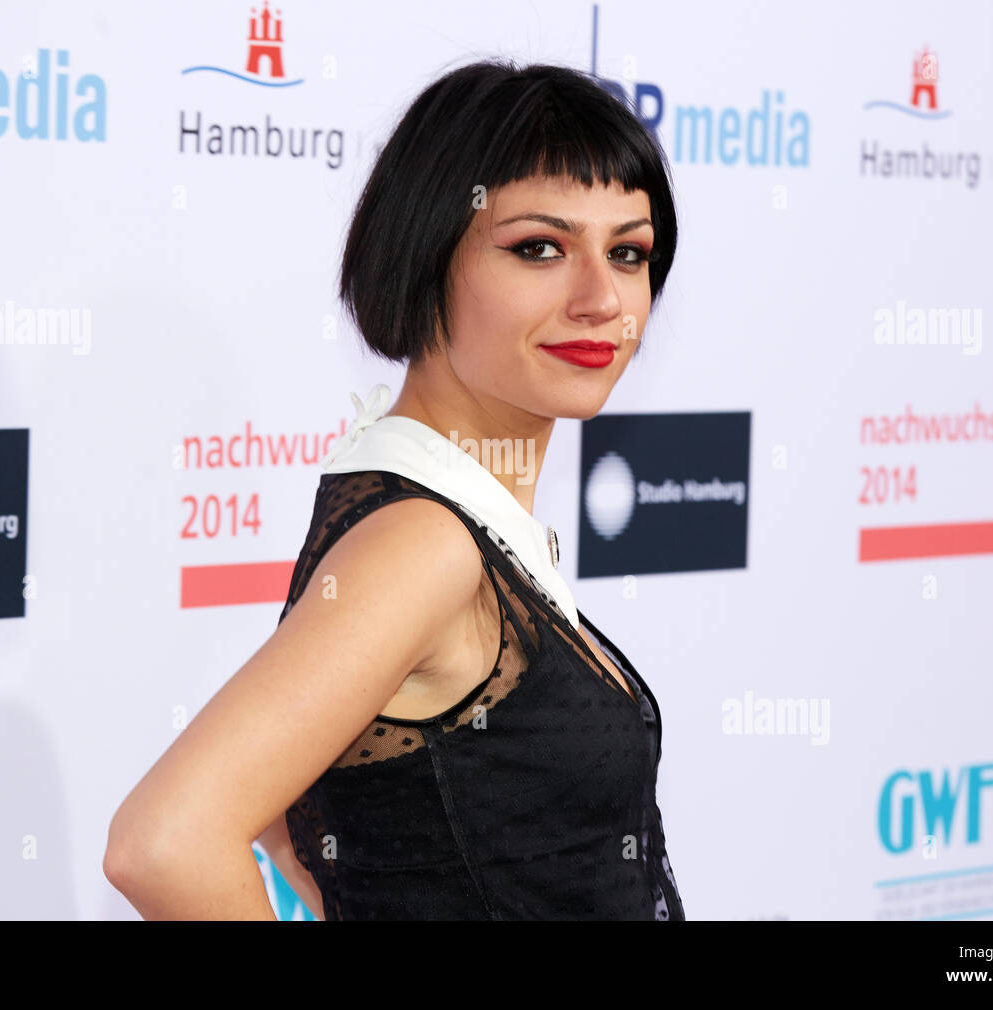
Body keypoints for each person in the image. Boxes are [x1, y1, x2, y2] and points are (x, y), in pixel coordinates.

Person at [104, 57, 683, 920]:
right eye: (539, 248)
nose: (602, 298)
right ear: (425, 250)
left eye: (628, 253)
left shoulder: (430, 511)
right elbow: (163, 843)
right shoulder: (425, 544)